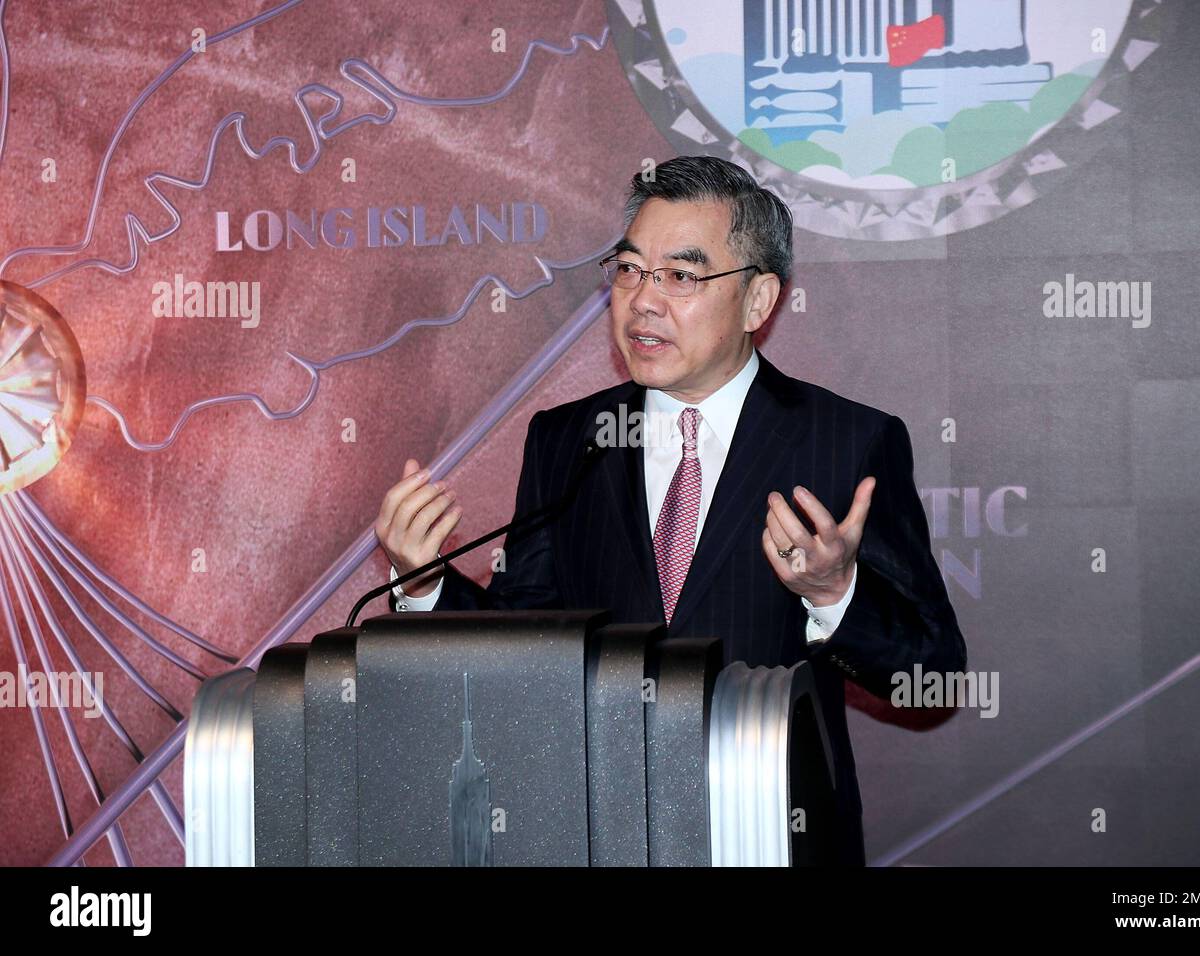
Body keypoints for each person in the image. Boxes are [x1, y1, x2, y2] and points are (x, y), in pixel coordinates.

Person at [373, 155, 966, 865]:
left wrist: (835, 594)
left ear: (758, 301)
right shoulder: (568, 441)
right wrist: (422, 585)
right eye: (628, 271)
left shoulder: (845, 442)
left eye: (681, 277)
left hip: (771, 835)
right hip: (595, 839)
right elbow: (520, 650)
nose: (642, 301)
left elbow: (932, 677)